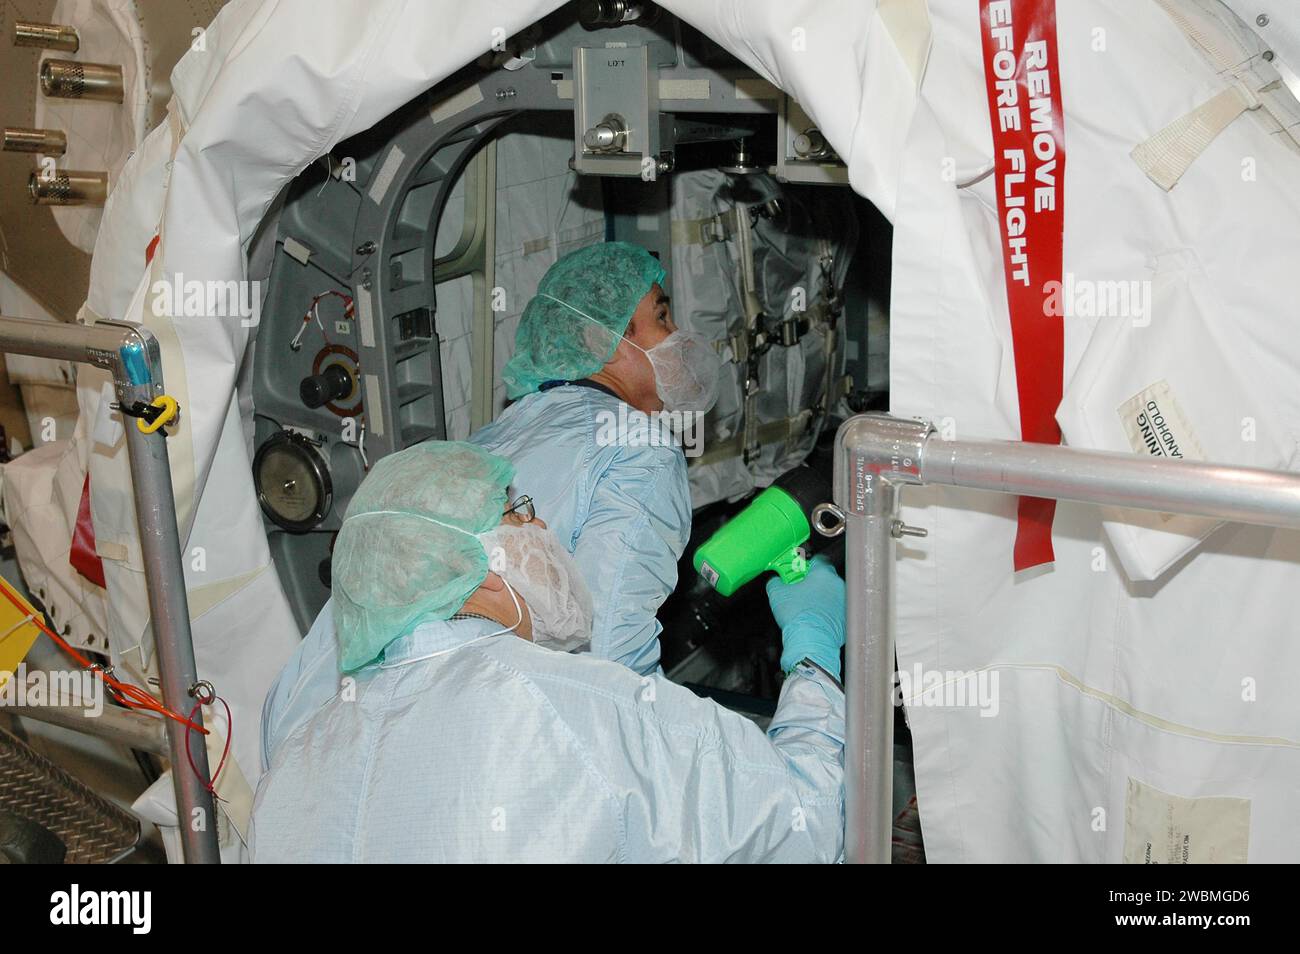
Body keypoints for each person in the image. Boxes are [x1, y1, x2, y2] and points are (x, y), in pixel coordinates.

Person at [251, 440, 845, 863]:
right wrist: (814, 653)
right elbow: (810, 821)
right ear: (471, 562)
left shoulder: (297, 760)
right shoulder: (584, 709)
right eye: (520, 513)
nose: (542, 531)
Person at [470, 241, 723, 676]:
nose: (678, 334)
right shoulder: (642, 452)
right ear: (599, 338)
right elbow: (609, 660)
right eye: (662, 317)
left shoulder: (501, 429)